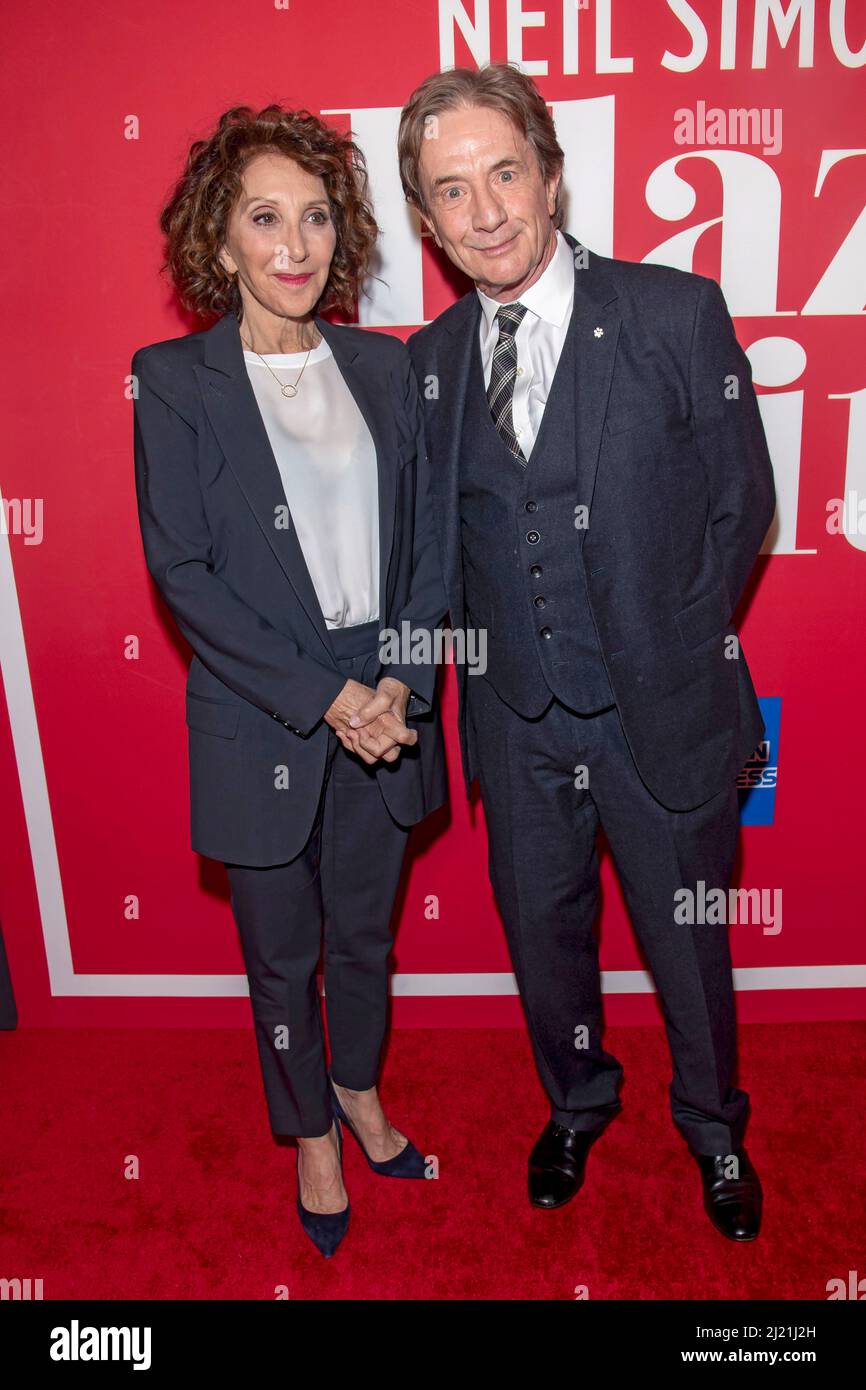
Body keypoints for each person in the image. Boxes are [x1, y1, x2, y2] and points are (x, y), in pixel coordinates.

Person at [399, 64, 776, 1241]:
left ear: (551, 175)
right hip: (513, 719)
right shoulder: (429, 359)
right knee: (544, 940)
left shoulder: (675, 313)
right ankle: (577, 1101)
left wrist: (663, 639)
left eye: (503, 173)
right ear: (426, 220)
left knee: (688, 939)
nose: (486, 212)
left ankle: (714, 1126)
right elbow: (443, 555)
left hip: (658, 709)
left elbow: (740, 503)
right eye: (451, 193)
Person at [132, 104, 447, 1258]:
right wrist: (327, 699)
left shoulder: (385, 365)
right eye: (265, 217)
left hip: (388, 702)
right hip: (268, 709)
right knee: (283, 951)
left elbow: (426, 550)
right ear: (219, 239)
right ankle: (308, 1127)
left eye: (315, 216)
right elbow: (185, 573)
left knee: (365, 935)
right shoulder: (169, 380)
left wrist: (401, 689)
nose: (295, 244)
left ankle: (358, 1091)